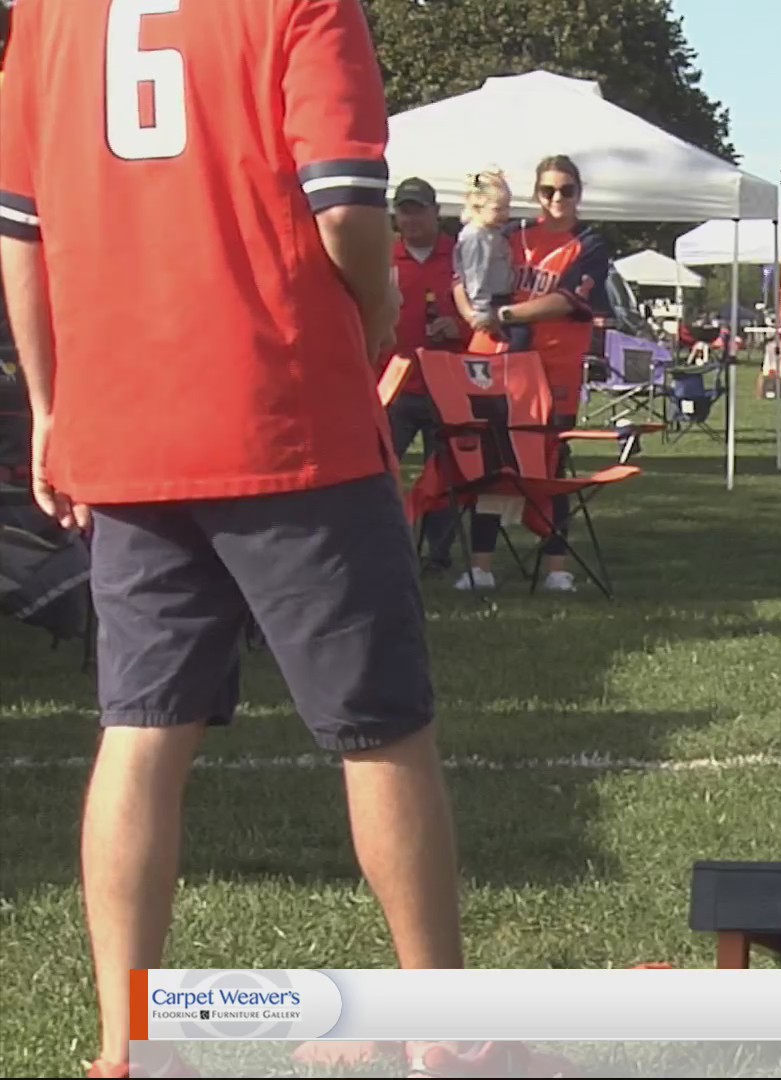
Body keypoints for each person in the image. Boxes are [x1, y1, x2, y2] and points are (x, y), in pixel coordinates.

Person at [0, 2, 465, 1077]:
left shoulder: (46, 16)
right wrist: (375, 310)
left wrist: (51, 403)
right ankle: (449, 1035)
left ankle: (127, 1048)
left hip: (123, 418)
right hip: (285, 411)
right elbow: (345, 205)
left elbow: (20, 230)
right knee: (383, 731)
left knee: (139, 730)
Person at [452, 154, 610, 594]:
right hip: (502, 368)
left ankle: (556, 568)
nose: (557, 198)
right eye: (548, 190)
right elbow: (462, 275)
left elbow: (565, 301)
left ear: (579, 193)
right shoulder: (512, 234)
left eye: (566, 190)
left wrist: (505, 314)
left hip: (553, 371)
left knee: (550, 469)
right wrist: (472, 314)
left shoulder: (590, 244)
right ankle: (481, 565)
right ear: (536, 193)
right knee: (492, 466)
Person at [385, 176, 465, 571]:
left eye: (419, 211)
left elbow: (484, 311)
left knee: (445, 472)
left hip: (446, 382)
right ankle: (385, 548)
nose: (412, 219)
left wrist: (458, 326)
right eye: (405, 212)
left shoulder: (460, 255)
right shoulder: (382, 257)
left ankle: (439, 553)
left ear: (436, 212)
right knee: (380, 470)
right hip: (394, 383)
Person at [455, 168, 530, 352]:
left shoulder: (492, 233)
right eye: (498, 209)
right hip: (491, 301)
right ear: (478, 207)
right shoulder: (476, 236)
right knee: (518, 338)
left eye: (507, 207)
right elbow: (475, 276)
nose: (505, 214)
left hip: (503, 298)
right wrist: (482, 310)